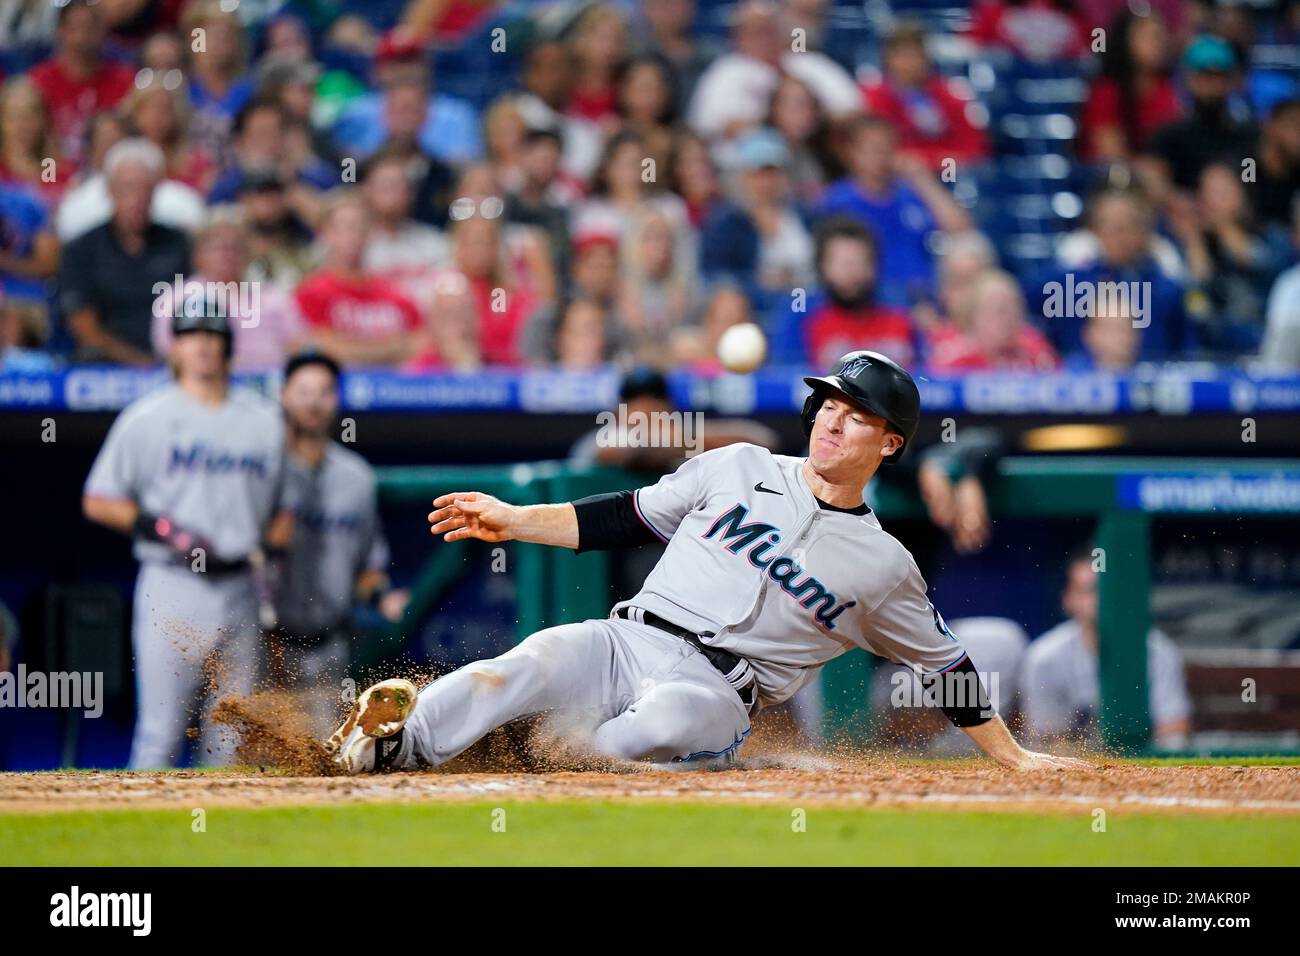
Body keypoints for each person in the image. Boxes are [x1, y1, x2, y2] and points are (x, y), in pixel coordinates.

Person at [326, 350, 1090, 773]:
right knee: (529, 658)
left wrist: (1014, 756)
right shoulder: (737, 465)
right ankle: (393, 747)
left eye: (857, 416)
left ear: (889, 444)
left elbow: (948, 662)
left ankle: (554, 766)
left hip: (718, 691)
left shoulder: (884, 564)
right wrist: (516, 518)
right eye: (829, 404)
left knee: (654, 725)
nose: (832, 420)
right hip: (630, 638)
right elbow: (623, 517)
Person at [81, 307, 289, 768]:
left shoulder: (264, 420)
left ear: (227, 346)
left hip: (241, 587)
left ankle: (220, 840)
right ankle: (137, 840)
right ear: (174, 346)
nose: (202, 344)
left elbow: (286, 507)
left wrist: (269, 556)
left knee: (232, 738)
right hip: (172, 583)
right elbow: (99, 499)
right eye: (191, 335)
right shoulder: (147, 416)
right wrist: (167, 530)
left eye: (212, 335)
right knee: (161, 732)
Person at [271, 352, 407, 736]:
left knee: (322, 761)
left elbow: (368, 566)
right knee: (232, 762)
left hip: (327, 647)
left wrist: (382, 597)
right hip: (261, 645)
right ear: (283, 395)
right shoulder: (263, 468)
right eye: (303, 391)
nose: (313, 402)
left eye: (324, 392)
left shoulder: (356, 478)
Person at [1022, 548, 1191, 749]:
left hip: (1141, 770)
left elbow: (1174, 731)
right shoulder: (1044, 657)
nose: (1101, 599)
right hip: (1075, 772)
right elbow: (1048, 741)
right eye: (1089, 590)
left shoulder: (1159, 650)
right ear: (1068, 599)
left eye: (1110, 589)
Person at [58, 138, 191, 364]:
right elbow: (83, 325)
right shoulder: (81, 249)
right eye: (127, 188)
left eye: (144, 189)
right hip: (105, 366)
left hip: (175, 362)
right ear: (110, 191)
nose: (136, 199)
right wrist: (142, 363)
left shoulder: (178, 244)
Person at [817, 116, 973, 307]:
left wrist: (923, 180)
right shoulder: (838, 202)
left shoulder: (910, 194)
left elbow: (961, 229)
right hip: (875, 300)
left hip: (930, 294)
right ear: (853, 153)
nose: (882, 157)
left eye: (888, 149)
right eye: (874, 149)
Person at [294, 192, 425, 367]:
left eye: (358, 226)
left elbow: (421, 342)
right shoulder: (311, 292)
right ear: (324, 234)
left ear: (370, 232)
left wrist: (348, 348)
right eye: (342, 227)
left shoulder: (394, 292)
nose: (351, 235)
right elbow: (320, 347)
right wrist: (392, 348)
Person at [861, 21, 988, 172]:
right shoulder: (874, 98)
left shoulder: (948, 93)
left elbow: (974, 146)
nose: (910, 63)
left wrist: (941, 161)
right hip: (899, 178)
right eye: (902, 56)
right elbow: (880, 151)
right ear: (888, 59)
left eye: (915, 55)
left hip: (950, 171)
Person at [27, 0, 134, 166]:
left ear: (103, 31)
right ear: (60, 31)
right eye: (74, 28)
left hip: (111, 174)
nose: (82, 36)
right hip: (51, 172)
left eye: (89, 27)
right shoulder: (39, 82)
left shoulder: (125, 82)